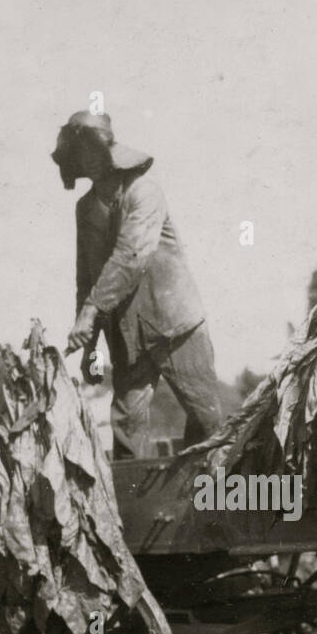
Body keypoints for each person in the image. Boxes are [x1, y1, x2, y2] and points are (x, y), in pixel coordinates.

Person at [53, 110, 224, 458]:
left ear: (105, 153)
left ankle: (215, 502)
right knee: (127, 431)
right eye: (78, 155)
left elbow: (130, 256)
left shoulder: (144, 193)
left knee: (208, 421)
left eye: (88, 151)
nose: (84, 160)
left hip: (176, 326)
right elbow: (86, 277)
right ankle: (136, 512)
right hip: (128, 336)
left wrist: (89, 315)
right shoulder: (85, 210)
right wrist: (90, 347)